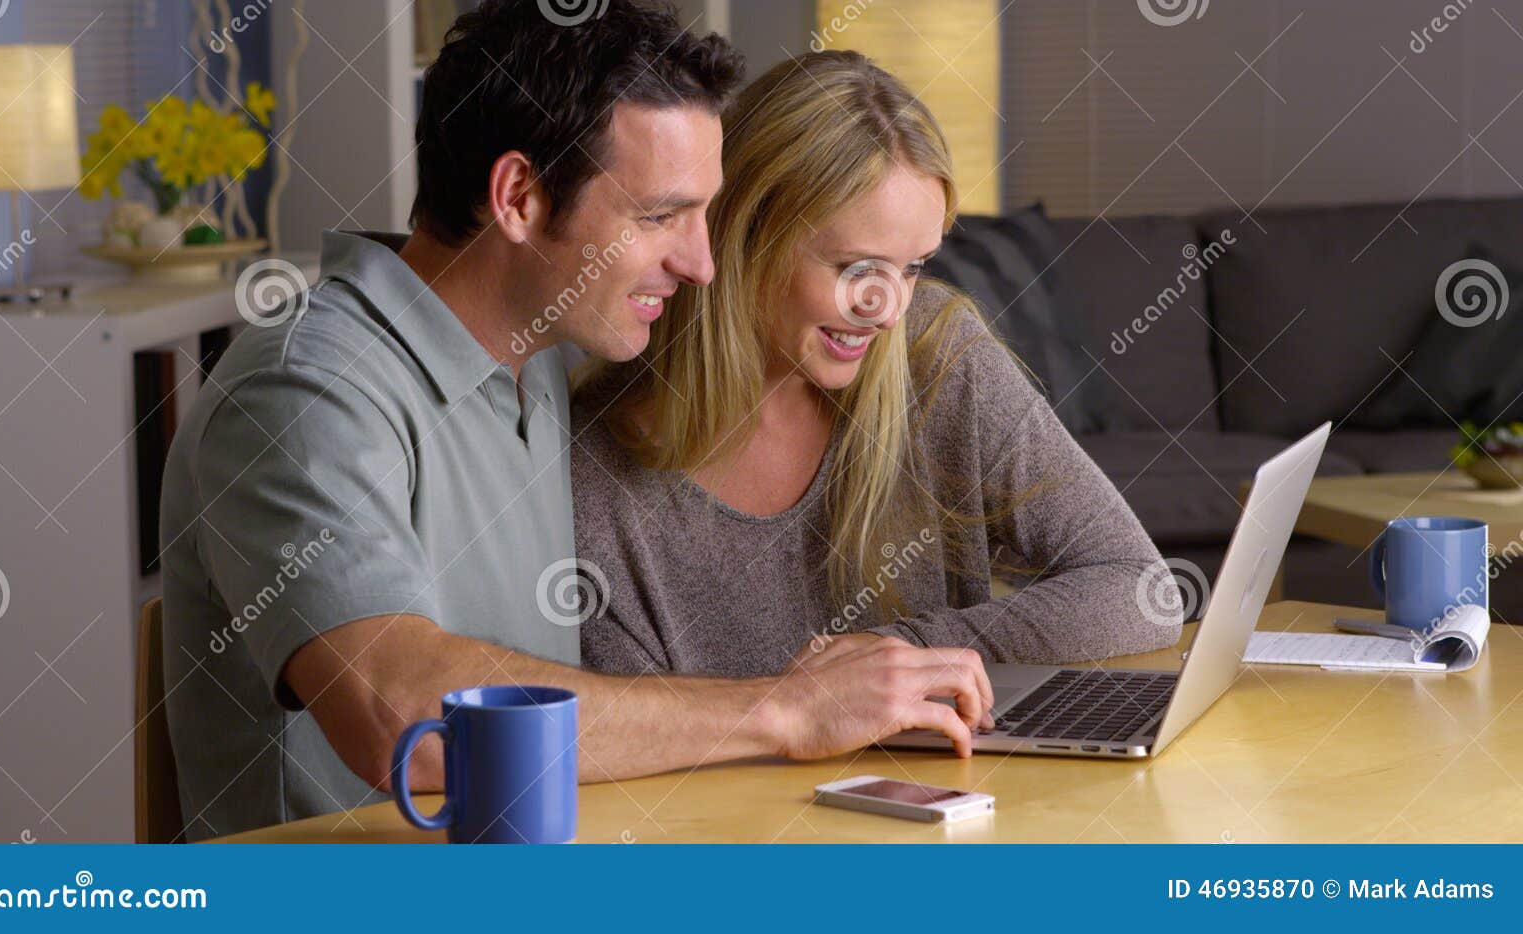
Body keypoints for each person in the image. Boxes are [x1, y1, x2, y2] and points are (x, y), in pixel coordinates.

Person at [160, 1, 993, 842]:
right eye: (659, 216)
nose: (700, 263)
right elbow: (409, 728)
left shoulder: (541, 362)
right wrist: (782, 709)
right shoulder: (301, 391)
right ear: (519, 197)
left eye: (704, 214)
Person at [572, 50, 1183, 680]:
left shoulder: (933, 351)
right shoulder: (594, 479)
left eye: (913, 267)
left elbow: (1142, 589)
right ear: (742, 234)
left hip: (967, 782)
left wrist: (899, 656)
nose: (887, 312)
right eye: (855, 267)